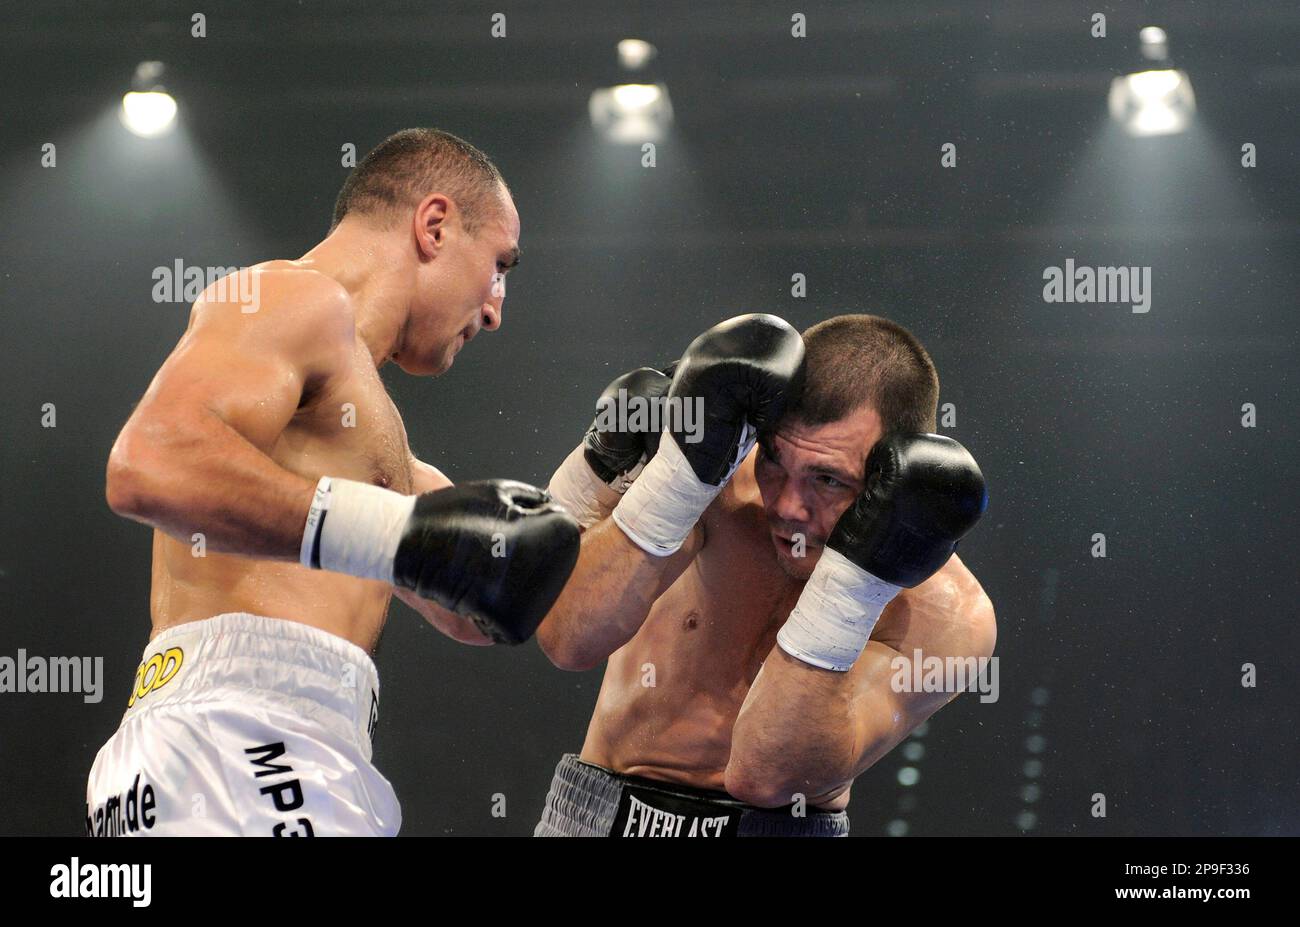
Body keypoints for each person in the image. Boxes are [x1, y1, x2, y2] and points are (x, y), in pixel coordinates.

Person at [87, 128, 578, 837]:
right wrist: (394, 536)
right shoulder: (294, 297)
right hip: (241, 741)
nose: (497, 306)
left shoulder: (380, 444)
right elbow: (147, 464)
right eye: (499, 265)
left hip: (277, 749)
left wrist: (630, 468)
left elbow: (509, 604)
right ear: (435, 224)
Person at [535, 312, 993, 837]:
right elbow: (565, 639)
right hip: (603, 811)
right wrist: (652, 477)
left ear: (898, 472)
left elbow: (769, 777)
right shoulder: (715, 482)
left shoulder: (948, 620)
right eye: (775, 461)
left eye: (827, 479)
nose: (789, 506)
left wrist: (858, 579)